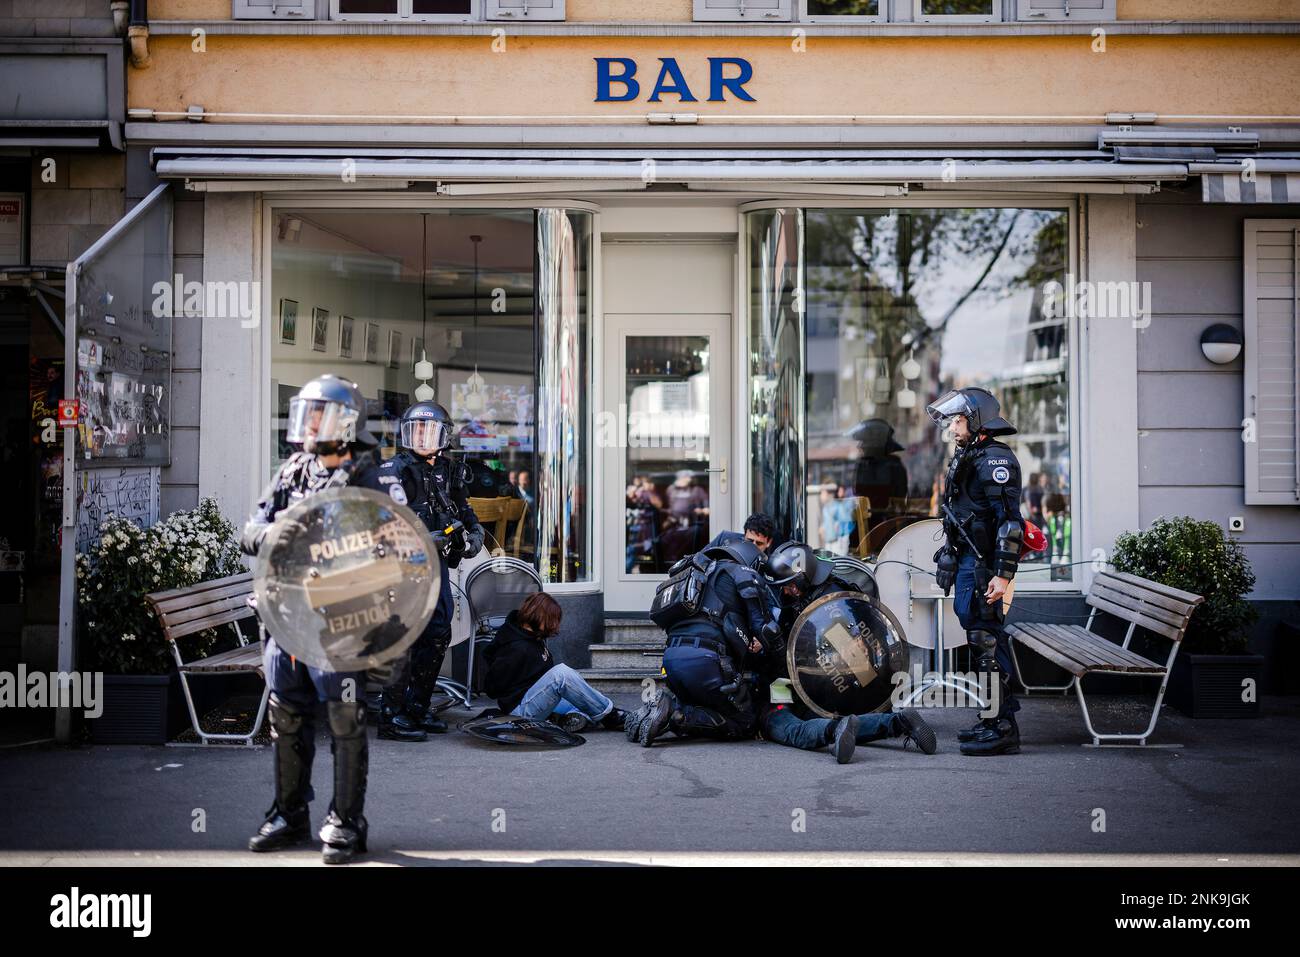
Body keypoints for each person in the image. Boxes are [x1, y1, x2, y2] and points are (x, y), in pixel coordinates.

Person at [241, 374, 383, 864]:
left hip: (340, 620)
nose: (310, 424)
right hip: (287, 616)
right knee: (286, 715)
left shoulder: (367, 474)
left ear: (345, 423)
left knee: (345, 718)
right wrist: (283, 531)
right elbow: (251, 529)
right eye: (308, 413)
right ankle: (288, 812)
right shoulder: (292, 470)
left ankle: (346, 821)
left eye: (319, 414)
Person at [356, 400, 484, 742]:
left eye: (430, 430)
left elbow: (463, 507)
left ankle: (416, 707)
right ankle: (390, 716)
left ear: (444, 436)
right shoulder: (393, 471)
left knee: (439, 628)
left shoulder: (448, 469)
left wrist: (474, 533)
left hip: (437, 562)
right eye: (416, 429)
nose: (423, 437)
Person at [757, 541, 937, 762]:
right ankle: (898, 722)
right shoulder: (812, 597)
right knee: (828, 717)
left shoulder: (831, 604)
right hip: (832, 688)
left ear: (805, 576)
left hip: (833, 688)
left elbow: (844, 661)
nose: (786, 591)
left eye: (790, 585)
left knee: (783, 722)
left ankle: (834, 731)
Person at [926, 387, 1024, 757]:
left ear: (977, 420)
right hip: (970, 559)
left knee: (986, 638)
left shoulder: (994, 460)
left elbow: (1009, 525)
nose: (952, 427)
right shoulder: (972, 454)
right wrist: (949, 553)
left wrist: (1003, 575)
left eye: (958, 419)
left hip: (984, 565)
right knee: (977, 636)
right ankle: (990, 718)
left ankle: (1003, 726)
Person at [632, 537, 781, 747]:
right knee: (745, 722)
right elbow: (766, 629)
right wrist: (782, 657)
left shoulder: (696, 578)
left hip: (671, 662)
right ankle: (676, 714)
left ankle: (664, 710)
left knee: (707, 706)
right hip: (707, 663)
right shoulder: (742, 573)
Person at [482, 592, 629, 733]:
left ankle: (564, 719)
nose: (555, 625)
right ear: (540, 616)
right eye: (552, 620)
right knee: (562, 675)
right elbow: (491, 688)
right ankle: (611, 716)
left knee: (585, 698)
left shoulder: (532, 637)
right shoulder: (515, 647)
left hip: (535, 699)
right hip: (520, 711)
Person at [705, 511, 777, 556]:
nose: (753, 546)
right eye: (750, 541)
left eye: (759, 543)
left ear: (768, 542)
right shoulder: (724, 538)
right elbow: (698, 559)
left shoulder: (771, 565)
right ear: (744, 535)